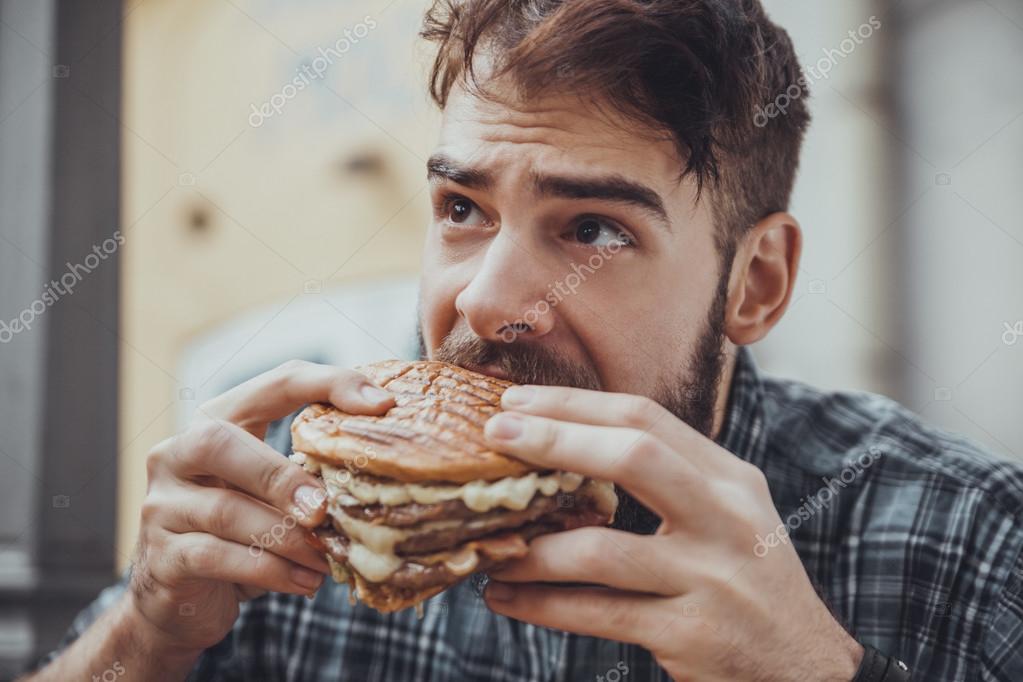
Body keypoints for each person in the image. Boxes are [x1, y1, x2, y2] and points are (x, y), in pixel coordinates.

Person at [23, 1, 1023, 680]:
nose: (488, 304)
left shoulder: (963, 538)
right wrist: (146, 631)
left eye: (593, 228)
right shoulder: (305, 505)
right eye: (462, 206)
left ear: (755, 283)